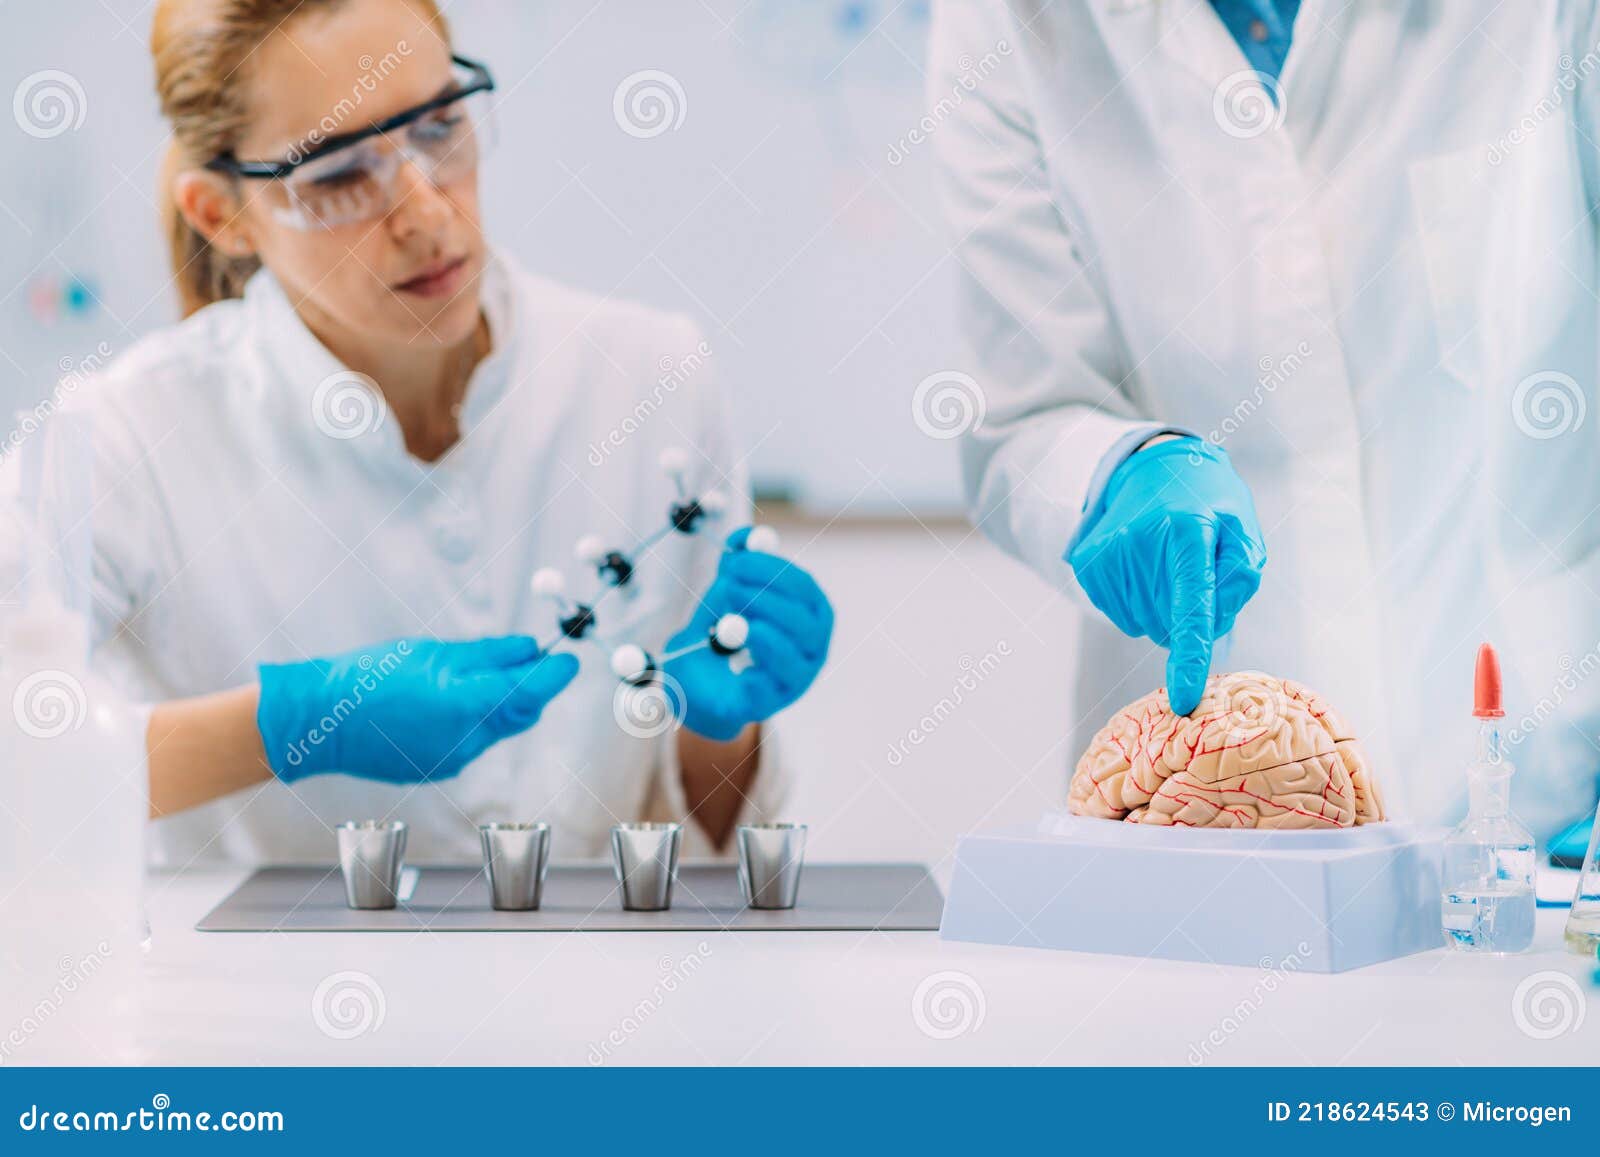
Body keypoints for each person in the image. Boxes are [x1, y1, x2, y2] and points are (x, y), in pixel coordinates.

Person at [0, 0, 833, 863]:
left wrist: (717, 730)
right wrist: (282, 726)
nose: (426, 213)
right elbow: (16, 767)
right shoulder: (123, 435)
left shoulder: (651, 374)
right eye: (336, 174)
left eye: (440, 126)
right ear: (221, 213)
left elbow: (705, 837)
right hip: (255, 958)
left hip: (592, 954)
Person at [931, 0, 1600, 836]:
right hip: (1202, 823)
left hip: (1539, 793)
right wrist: (1117, 472)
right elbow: (1026, 408)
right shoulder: (1007, 19)